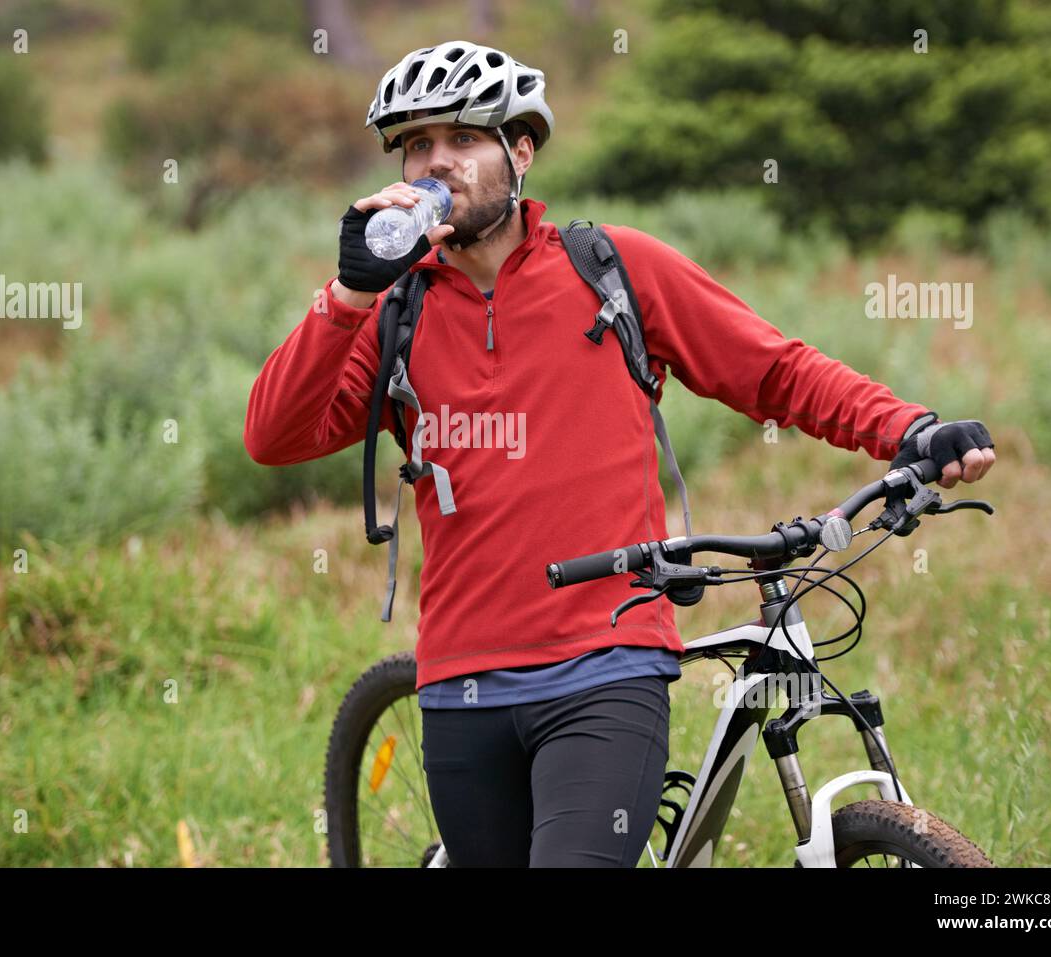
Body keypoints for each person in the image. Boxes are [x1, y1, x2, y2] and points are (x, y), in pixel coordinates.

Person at [244, 41, 996, 867]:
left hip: (605, 665)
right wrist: (349, 293)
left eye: (462, 139)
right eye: (417, 145)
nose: (437, 164)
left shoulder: (612, 269)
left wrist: (908, 429)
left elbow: (774, 370)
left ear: (520, 150)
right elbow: (274, 435)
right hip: (460, 679)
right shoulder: (398, 311)